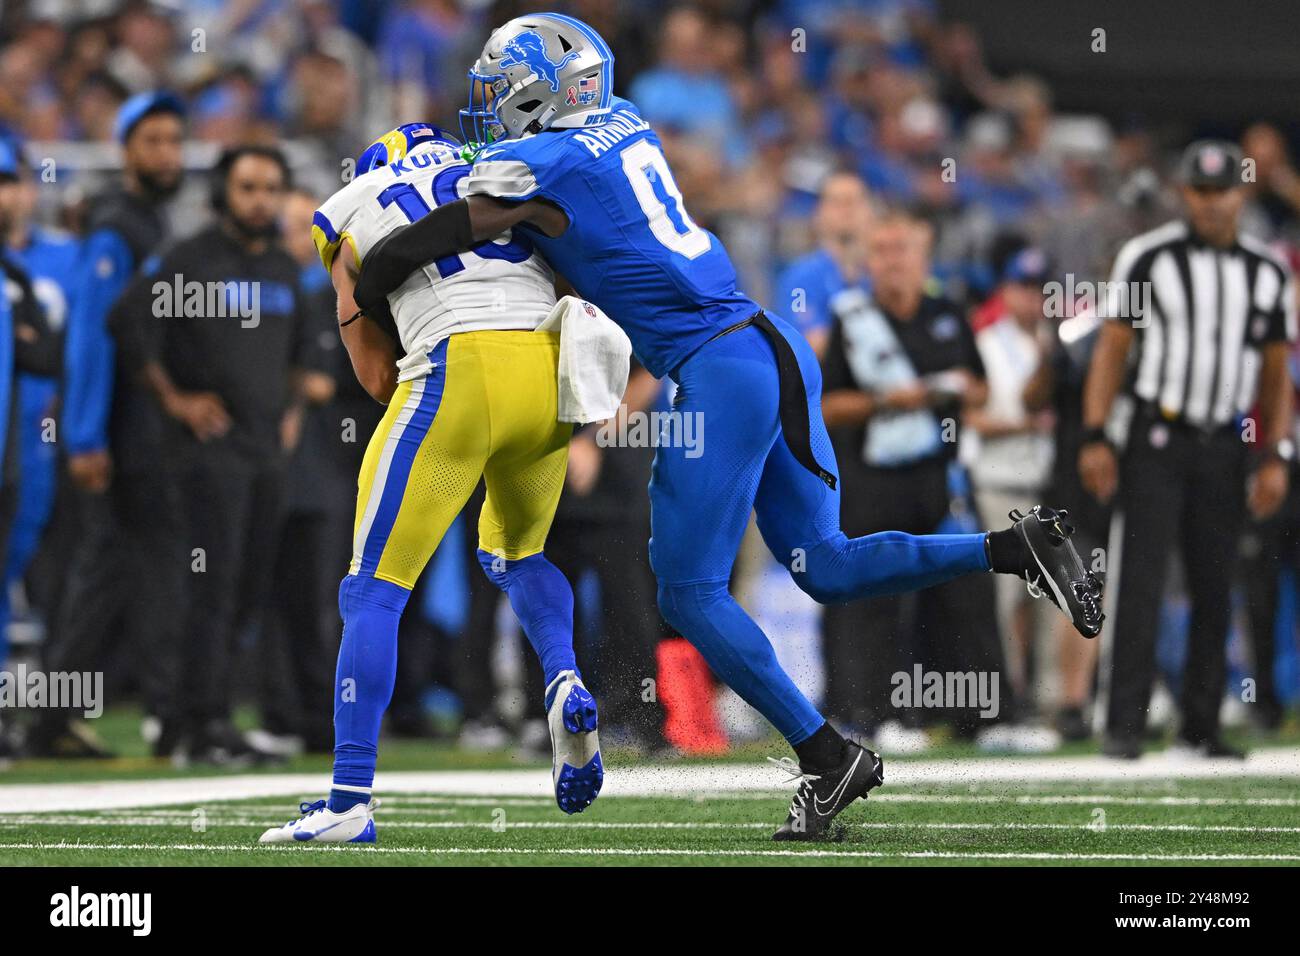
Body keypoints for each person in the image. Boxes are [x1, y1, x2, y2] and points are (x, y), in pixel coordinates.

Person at [353, 13, 1103, 841]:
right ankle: (1014, 548)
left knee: (688, 590)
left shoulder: (546, 159)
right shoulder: (625, 119)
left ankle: (826, 756)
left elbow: (446, 228)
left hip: (715, 369)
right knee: (829, 565)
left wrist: (365, 277)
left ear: (546, 95)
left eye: (506, 95)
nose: (494, 111)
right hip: (769, 343)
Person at [261, 123, 614, 845]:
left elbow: (371, 371)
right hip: (548, 370)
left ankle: (349, 799)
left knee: (373, 587)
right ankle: (563, 677)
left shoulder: (353, 200)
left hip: (456, 364)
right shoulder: (504, 172)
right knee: (518, 555)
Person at [1080, 140, 1296, 759]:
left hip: (1226, 441)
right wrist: (1096, 435)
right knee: (1139, 581)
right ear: (1184, 194)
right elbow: (1112, 349)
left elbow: (1276, 371)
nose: (1210, 202)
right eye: (1199, 191)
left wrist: (1273, 452)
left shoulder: (1267, 269)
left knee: (1215, 582)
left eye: (1221, 189)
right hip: (1156, 434)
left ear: (1241, 192)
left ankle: (1201, 724)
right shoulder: (1147, 259)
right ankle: (1123, 723)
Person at [110, 145, 324, 764]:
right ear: (222, 193)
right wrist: (175, 400)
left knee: (246, 590)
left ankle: (200, 720)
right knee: (211, 586)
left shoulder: (285, 270)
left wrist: (292, 411)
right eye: (248, 187)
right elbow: (127, 321)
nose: (260, 200)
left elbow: (305, 358)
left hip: (264, 456)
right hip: (206, 455)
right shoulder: (191, 259)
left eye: (270, 189)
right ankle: (198, 724)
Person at [31, 92, 187, 758]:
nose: (167, 154)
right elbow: (91, 338)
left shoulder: (147, 223)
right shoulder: (117, 227)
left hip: (140, 426)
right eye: (152, 141)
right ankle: (143, 714)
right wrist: (87, 435)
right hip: (119, 428)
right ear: (125, 150)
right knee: (118, 572)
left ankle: (62, 717)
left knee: (118, 573)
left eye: (175, 141)